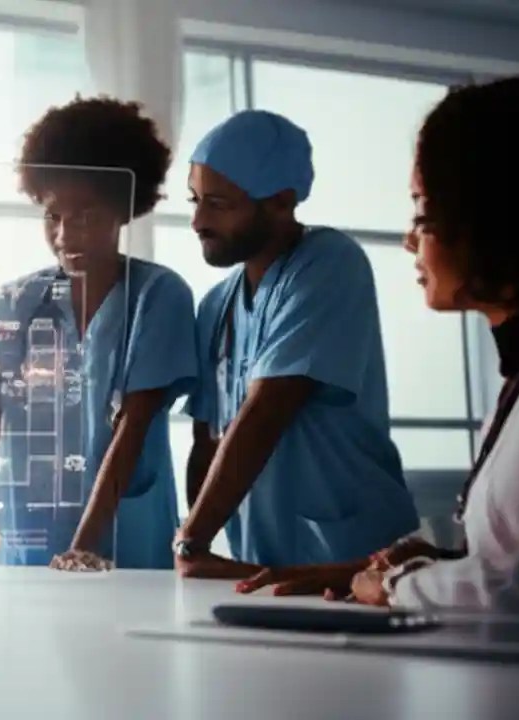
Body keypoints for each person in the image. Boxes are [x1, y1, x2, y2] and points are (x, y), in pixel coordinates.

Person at [238, 74, 519, 610]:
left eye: (423, 212)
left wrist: (404, 586)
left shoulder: (329, 263)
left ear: (499, 215)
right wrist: (441, 562)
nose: (408, 240)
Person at [0, 97, 197, 570]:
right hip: (35, 543)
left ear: (122, 211)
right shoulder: (16, 303)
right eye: (53, 216)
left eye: (85, 215)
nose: (66, 234)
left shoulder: (158, 295)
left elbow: (132, 427)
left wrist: (83, 548)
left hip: (130, 545)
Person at [175, 110, 419, 578]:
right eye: (195, 200)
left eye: (219, 204)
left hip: (352, 557)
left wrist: (193, 540)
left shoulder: (329, 263)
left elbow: (268, 409)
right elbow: (206, 439)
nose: (197, 221)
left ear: (281, 201)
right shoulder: (216, 306)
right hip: (258, 562)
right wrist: (193, 541)